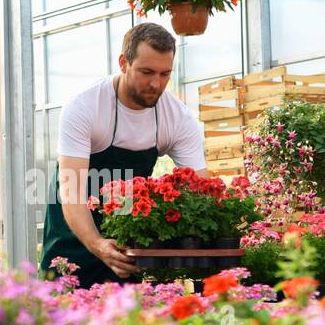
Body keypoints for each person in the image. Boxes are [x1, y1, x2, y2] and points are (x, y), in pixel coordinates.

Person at [38, 22, 207, 288]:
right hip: (72, 235)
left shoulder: (178, 118)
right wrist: (97, 244)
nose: (156, 83)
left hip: (128, 240)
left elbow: (201, 190)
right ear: (123, 63)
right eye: (146, 72)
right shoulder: (84, 107)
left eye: (165, 74)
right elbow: (71, 192)